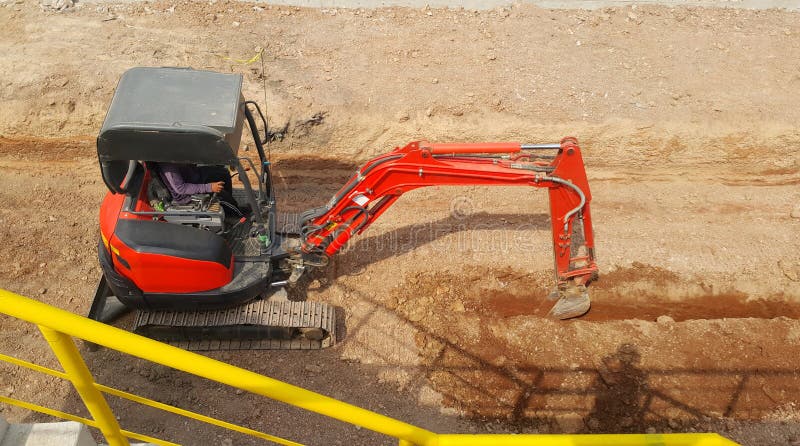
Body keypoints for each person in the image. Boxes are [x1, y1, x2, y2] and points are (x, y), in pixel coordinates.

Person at [158, 163, 250, 216]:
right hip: (186, 194)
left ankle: (229, 206)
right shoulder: (168, 167)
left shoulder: (175, 152)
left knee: (223, 173)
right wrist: (209, 187)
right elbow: (181, 188)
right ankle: (237, 212)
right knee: (220, 193)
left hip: (193, 176)